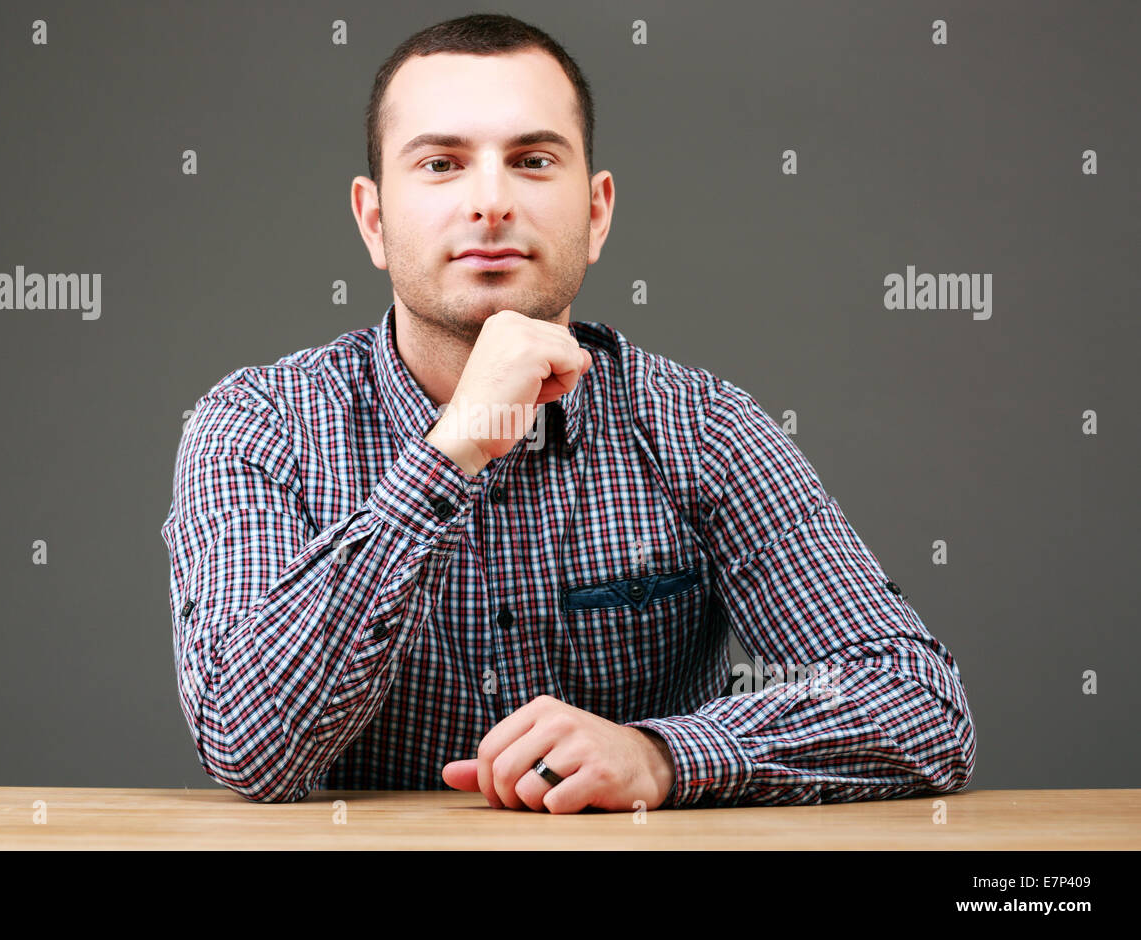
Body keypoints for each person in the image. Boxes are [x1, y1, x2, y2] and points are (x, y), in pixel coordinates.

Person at [160, 13, 975, 813]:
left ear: (596, 212)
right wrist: (451, 452)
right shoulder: (255, 423)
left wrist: (662, 754)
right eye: (441, 163)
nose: (490, 203)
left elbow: (922, 707)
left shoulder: (702, 427)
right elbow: (249, 742)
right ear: (375, 220)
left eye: (533, 160)